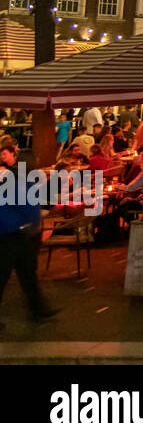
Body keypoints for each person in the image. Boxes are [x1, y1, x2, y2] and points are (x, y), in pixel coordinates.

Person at [0, 139, 57, 328]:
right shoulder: (18, 181)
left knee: (24, 274)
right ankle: (38, 310)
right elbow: (28, 207)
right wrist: (35, 223)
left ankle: (39, 309)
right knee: (23, 274)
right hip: (13, 234)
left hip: (11, 233)